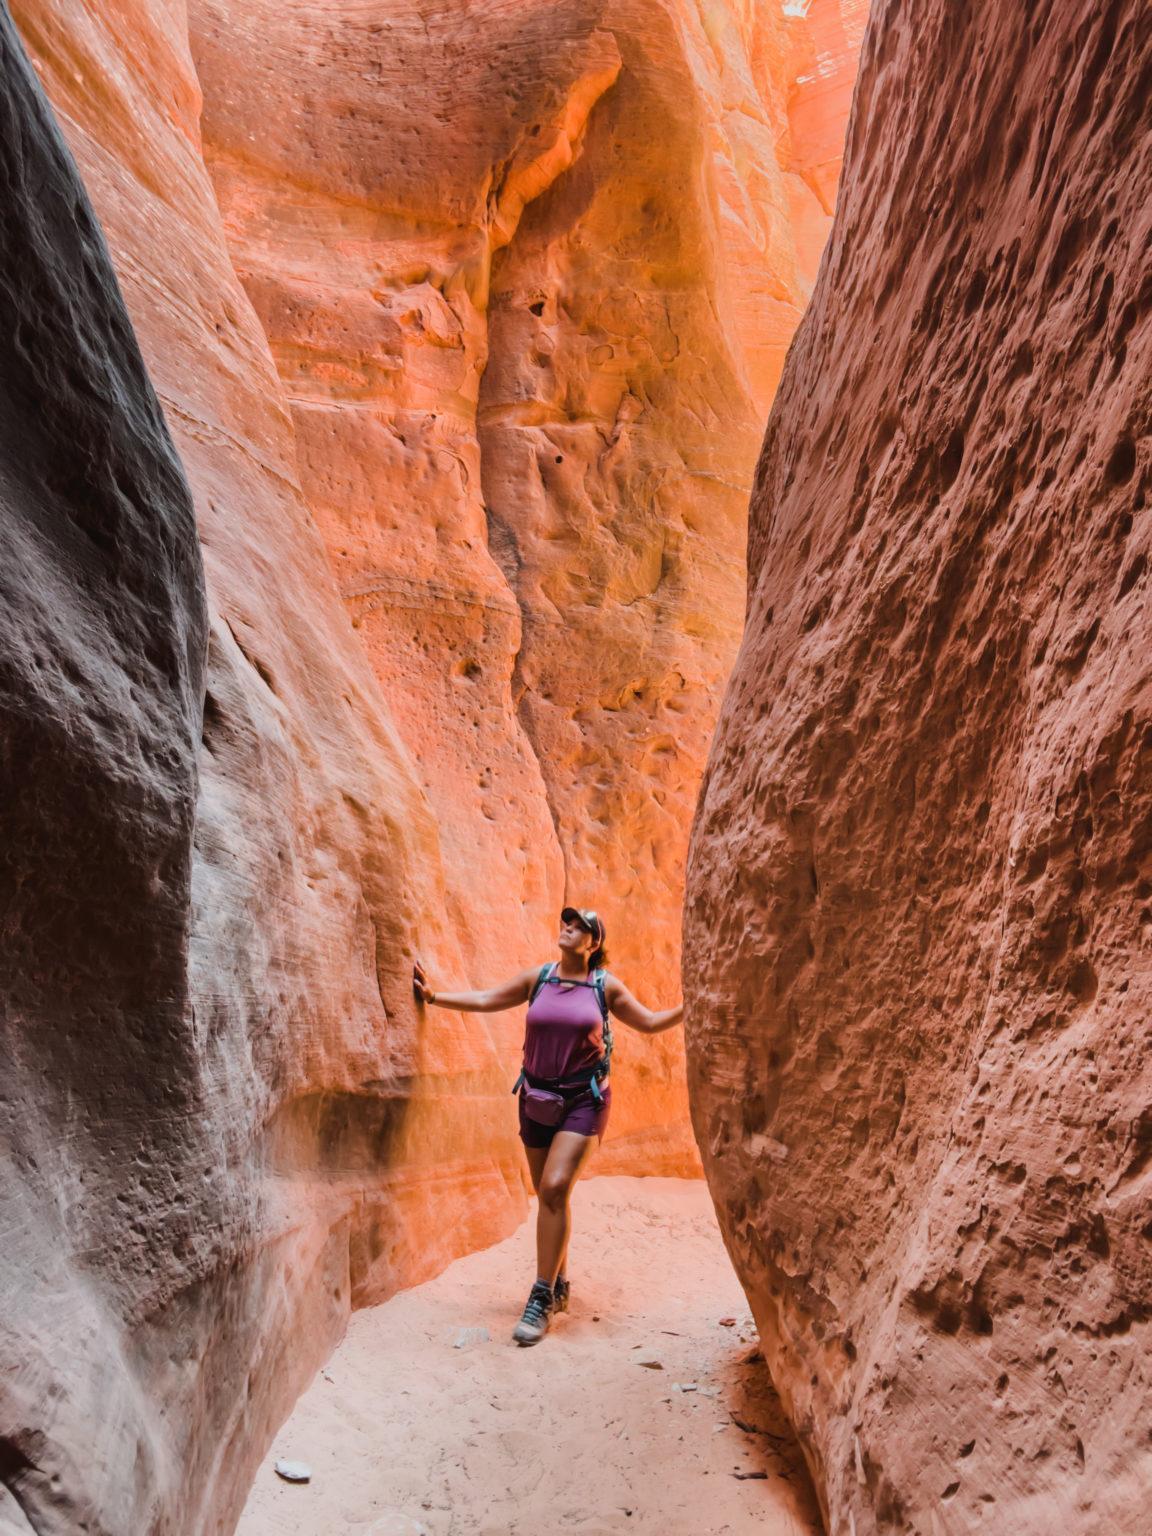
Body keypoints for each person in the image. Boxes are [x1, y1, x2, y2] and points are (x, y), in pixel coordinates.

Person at [413, 906, 683, 1345]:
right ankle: (559, 1284)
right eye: (566, 923)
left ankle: (540, 1297)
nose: (568, 929)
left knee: (555, 1188)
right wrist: (435, 997)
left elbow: (649, 1022)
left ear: (594, 943)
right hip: (536, 1099)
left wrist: (692, 1006)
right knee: (548, 1196)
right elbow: (487, 999)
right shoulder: (539, 979)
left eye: (578, 927)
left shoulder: (604, 987)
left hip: (583, 1100)